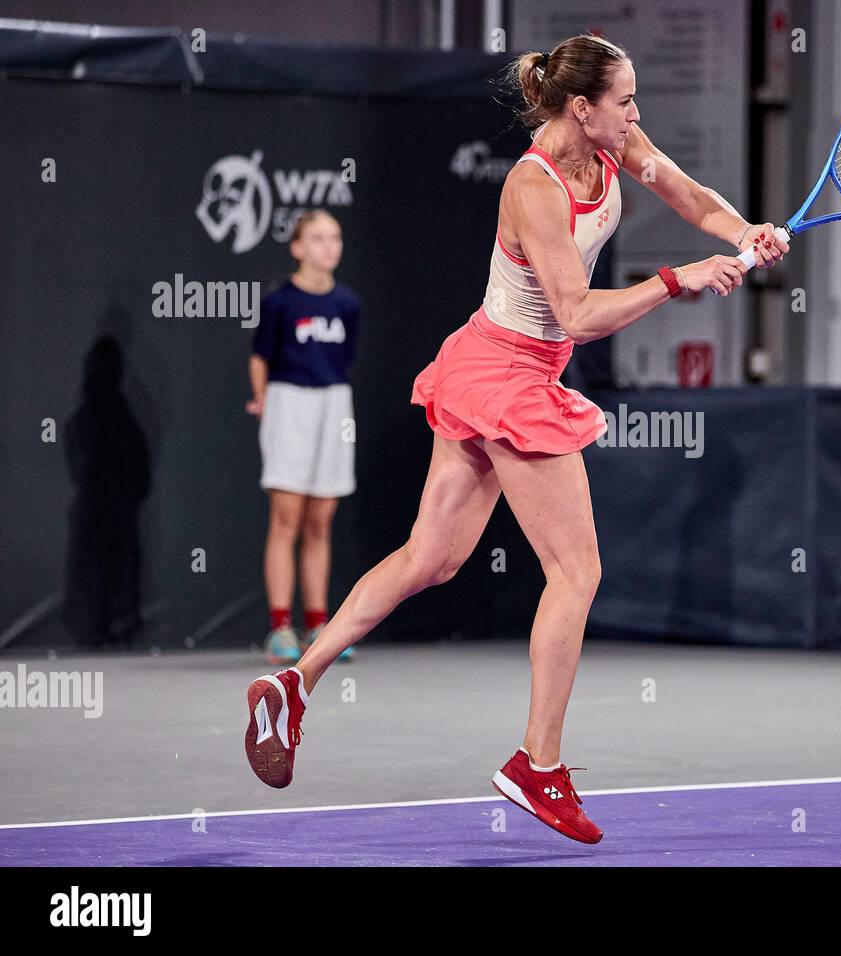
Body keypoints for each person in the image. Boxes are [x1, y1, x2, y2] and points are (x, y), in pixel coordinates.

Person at [243, 34, 787, 845]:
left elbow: (685, 191)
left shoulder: (615, 139)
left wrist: (745, 231)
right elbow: (576, 315)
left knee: (431, 557)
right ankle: (539, 763)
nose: (638, 114)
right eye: (625, 101)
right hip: (510, 377)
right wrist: (680, 279)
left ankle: (295, 681)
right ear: (581, 107)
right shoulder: (533, 189)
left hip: (488, 362)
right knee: (576, 571)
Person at [246, 210, 360, 666]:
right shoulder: (280, 302)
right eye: (317, 238)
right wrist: (262, 399)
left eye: (334, 238)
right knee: (286, 519)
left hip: (334, 404)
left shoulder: (348, 303)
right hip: (287, 401)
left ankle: (319, 625)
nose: (329, 246)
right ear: (297, 247)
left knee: (320, 521)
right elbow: (260, 356)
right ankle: (279, 629)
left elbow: (345, 357)